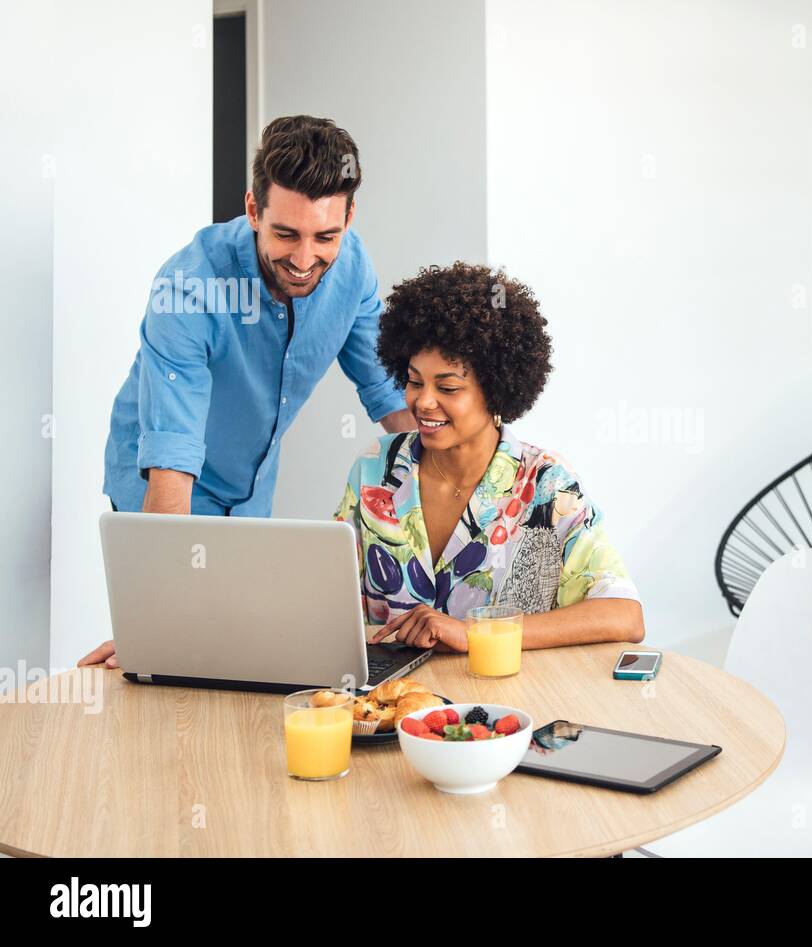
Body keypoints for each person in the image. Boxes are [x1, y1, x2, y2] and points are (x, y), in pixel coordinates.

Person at [80, 115, 415, 670]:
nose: (305, 259)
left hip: (252, 484)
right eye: (285, 234)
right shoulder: (189, 289)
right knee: (175, 655)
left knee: (234, 650)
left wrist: (472, 479)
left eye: (325, 236)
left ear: (349, 218)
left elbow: (387, 393)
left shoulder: (353, 270)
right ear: (254, 210)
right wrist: (160, 618)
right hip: (167, 489)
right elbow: (171, 460)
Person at [337, 261, 645, 651]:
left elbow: (624, 615)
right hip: (390, 705)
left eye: (448, 388)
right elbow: (325, 596)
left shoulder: (546, 484)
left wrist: (476, 634)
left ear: (496, 392)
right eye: (415, 382)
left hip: (510, 705)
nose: (423, 402)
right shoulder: (375, 466)